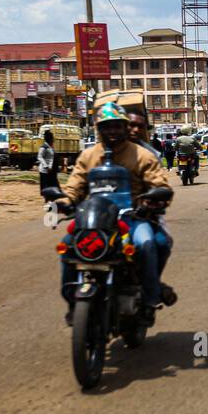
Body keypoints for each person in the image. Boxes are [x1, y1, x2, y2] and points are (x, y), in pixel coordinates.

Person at [54, 103, 174, 328]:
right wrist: (64, 202)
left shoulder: (141, 155)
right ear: (99, 129)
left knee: (147, 243)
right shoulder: (89, 155)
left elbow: (159, 183)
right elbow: (75, 185)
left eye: (117, 126)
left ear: (125, 128)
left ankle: (149, 301)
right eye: (106, 127)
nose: (112, 131)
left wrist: (150, 200)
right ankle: (72, 302)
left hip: (132, 218)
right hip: (95, 220)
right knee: (66, 248)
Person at [37, 129, 58, 200]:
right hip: (44, 170)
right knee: (46, 187)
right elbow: (39, 157)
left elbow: (52, 158)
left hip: (50, 170)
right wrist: (46, 166)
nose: (53, 140)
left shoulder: (50, 147)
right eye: (52, 138)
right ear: (49, 139)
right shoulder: (44, 147)